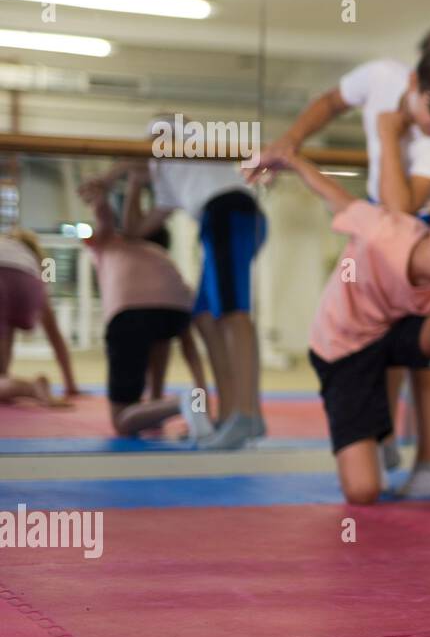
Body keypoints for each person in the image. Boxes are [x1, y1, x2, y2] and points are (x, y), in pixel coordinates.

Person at [263, 31, 430, 485]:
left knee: (426, 356)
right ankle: (383, 434)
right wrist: (289, 142)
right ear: (412, 82)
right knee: (377, 329)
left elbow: (402, 208)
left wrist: (388, 134)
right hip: (387, 226)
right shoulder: (380, 77)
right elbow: (330, 102)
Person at [247, 144, 430, 514]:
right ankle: (379, 436)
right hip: (344, 347)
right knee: (362, 491)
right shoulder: (385, 232)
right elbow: (333, 196)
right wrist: (290, 158)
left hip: (395, 333)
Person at [126, 117, 267, 450]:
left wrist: (114, 173)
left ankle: (248, 415)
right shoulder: (166, 179)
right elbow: (135, 231)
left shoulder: (179, 142)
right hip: (218, 220)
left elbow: (166, 127)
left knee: (233, 312)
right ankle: (231, 412)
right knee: (203, 315)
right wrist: (132, 183)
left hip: (229, 210)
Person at [76, 176, 209, 439]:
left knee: (122, 422)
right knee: (159, 333)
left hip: (131, 313)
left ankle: (178, 403)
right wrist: (203, 392)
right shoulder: (162, 258)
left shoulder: (110, 243)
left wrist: (98, 199)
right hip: (175, 311)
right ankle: (163, 401)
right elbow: (188, 344)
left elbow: (104, 221)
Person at [0, 228, 77, 408]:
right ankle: (8, 382)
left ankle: (31, 388)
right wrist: (70, 384)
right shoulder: (30, 263)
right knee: (7, 331)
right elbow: (54, 335)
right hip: (28, 284)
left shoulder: (4, 246)